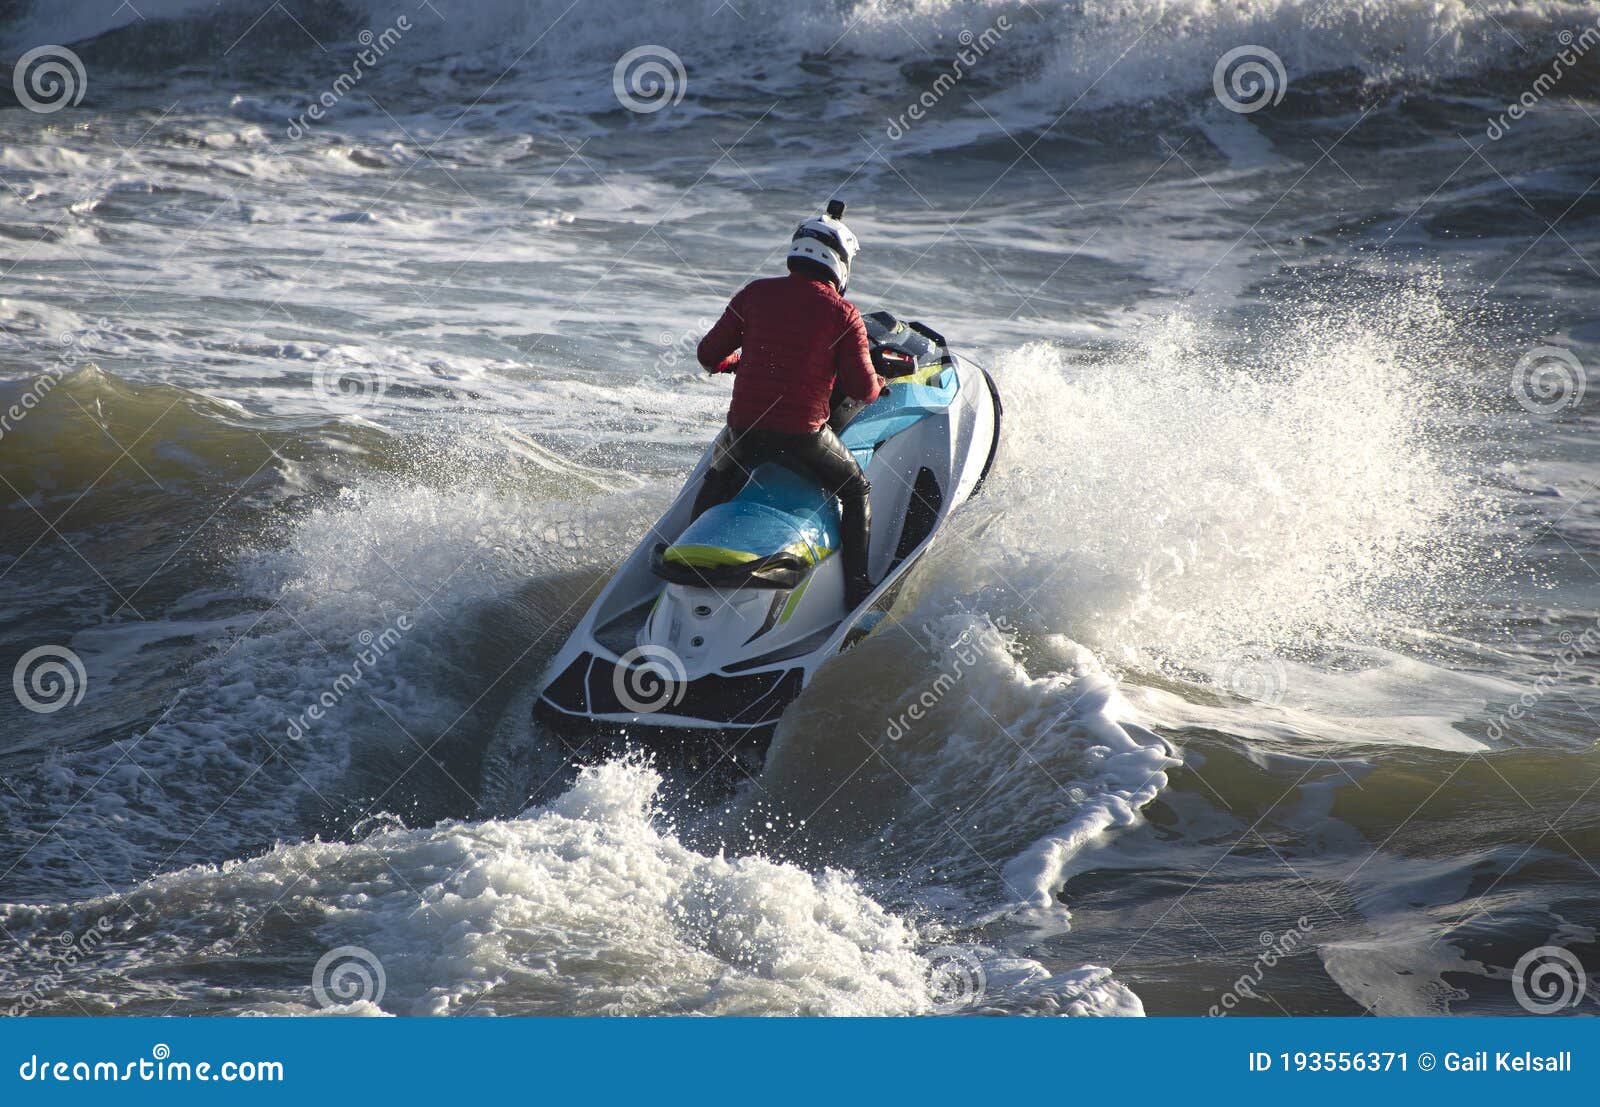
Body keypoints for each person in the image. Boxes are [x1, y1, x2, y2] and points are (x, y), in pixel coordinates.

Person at [691, 200, 889, 609]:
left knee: (718, 480)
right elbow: (862, 389)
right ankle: (856, 587)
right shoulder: (843, 312)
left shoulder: (755, 293)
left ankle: (690, 558)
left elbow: (709, 355)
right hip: (804, 437)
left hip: (744, 432)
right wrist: (881, 380)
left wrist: (739, 363)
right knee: (855, 490)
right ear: (840, 262)